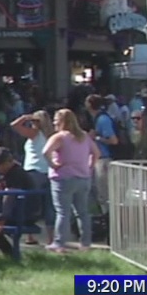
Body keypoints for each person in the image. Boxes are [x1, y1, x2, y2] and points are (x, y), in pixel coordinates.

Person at [43, 108, 100, 253]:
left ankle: (59, 243)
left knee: (63, 212)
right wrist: (90, 166)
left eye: (56, 120)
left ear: (61, 122)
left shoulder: (59, 137)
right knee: (83, 212)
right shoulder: (84, 136)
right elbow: (96, 153)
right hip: (83, 177)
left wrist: (53, 164)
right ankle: (86, 243)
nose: (55, 123)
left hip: (63, 177)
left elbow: (45, 152)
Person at [9, 110, 53, 245]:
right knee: (49, 206)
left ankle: (30, 235)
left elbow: (14, 125)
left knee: (30, 204)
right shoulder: (52, 135)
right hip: (49, 171)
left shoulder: (35, 134)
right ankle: (51, 238)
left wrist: (25, 117)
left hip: (34, 171)